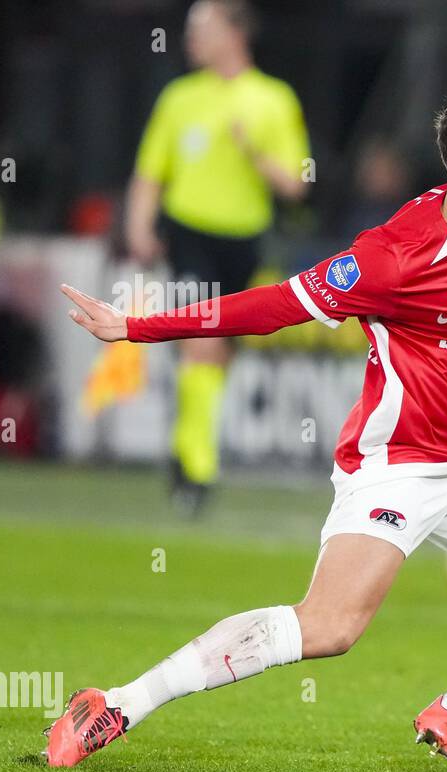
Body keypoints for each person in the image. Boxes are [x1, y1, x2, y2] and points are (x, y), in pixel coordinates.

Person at [46, 89, 447, 772]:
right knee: (330, 629)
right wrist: (136, 326)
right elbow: (270, 307)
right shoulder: (389, 260)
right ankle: (116, 705)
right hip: (394, 467)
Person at [126, 0, 310, 514]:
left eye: (200, 30)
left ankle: (185, 449)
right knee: (198, 342)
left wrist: (253, 153)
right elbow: (150, 172)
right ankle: (198, 470)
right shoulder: (180, 97)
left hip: (243, 240)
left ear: (234, 34)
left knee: (218, 354)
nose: (191, 42)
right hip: (189, 234)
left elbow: (297, 183)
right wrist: (140, 224)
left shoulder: (273, 99)